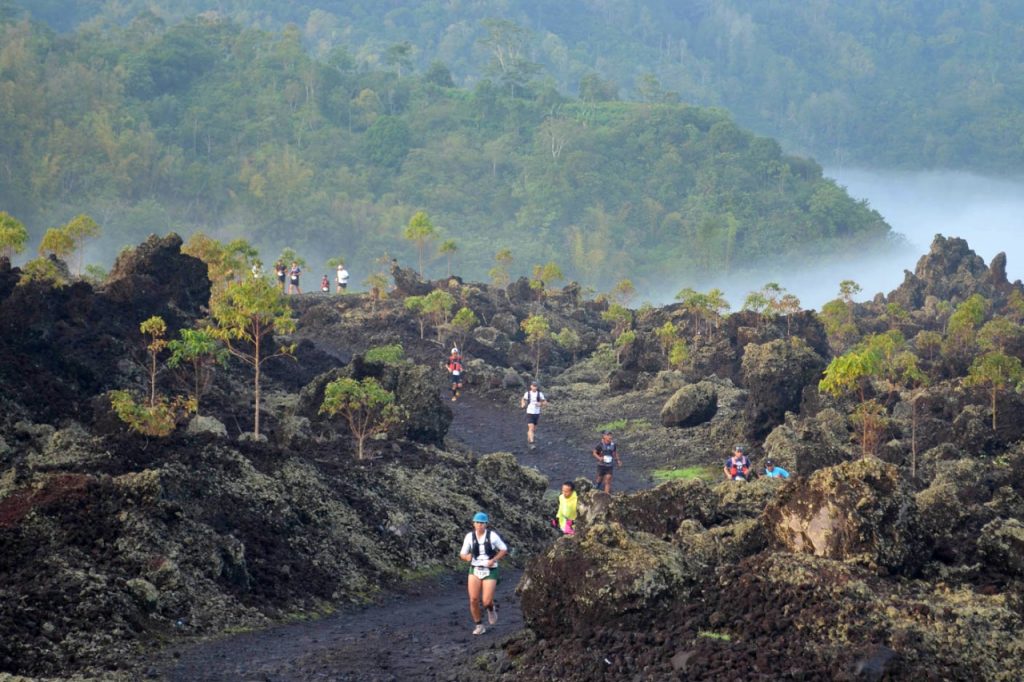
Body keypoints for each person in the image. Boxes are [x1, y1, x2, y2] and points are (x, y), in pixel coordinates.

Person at [459, 512, 508, 636]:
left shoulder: (492, 536)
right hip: (475, 568)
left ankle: (491, 609)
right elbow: (462, 554)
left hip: (490, 569)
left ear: (486, 524)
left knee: (486, 601)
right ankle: (479, 625)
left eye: (482, 523)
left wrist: (494, 560)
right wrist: (467, 557)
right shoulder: (469, 537)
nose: (480, 525)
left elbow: (504, 549)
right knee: (474, 599)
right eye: (477, 522)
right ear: (473, 523)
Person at [520, 382, 547, 448]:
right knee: (531, 428)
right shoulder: (528, 393)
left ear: (537, 387)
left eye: (535, 386)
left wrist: (540, 404)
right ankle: (532, 443)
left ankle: (529, 440)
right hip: (530, 412)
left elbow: (545, 402)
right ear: (531, 386)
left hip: (537, 413)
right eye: (533, 386)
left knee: (533, 429)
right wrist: (522, 404)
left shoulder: (539, 394)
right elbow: (523, 399)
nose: (534, 387)